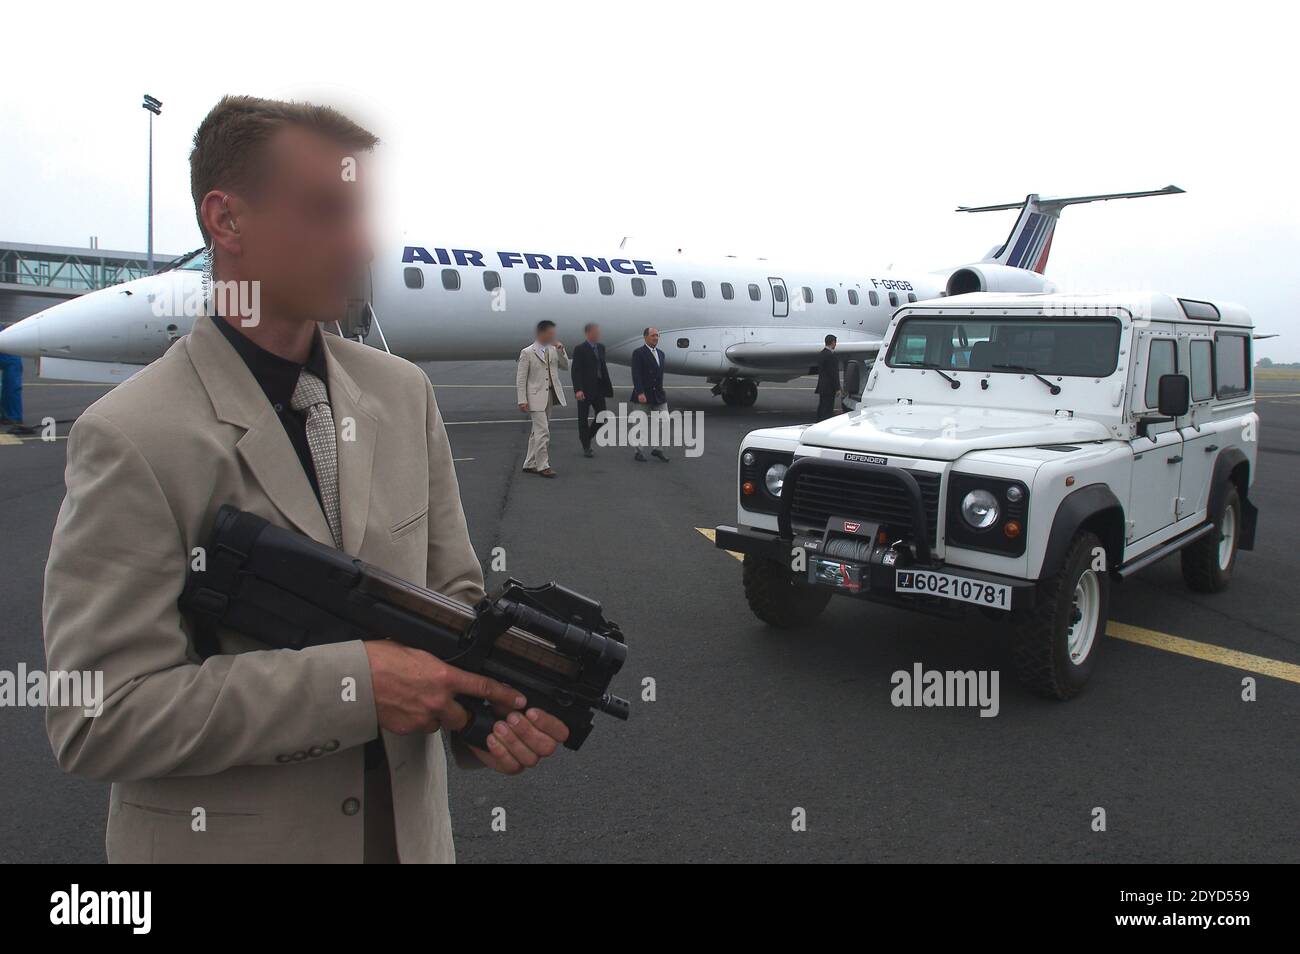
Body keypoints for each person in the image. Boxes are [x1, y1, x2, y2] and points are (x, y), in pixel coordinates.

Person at [42, 95, 567, 865]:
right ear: (226, 221)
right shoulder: (131, 435)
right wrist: (353, 684)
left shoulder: (402, 393)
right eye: (327, 211)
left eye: (361, 214)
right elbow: (98, 715)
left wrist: (483, 717)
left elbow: (452, 605)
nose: (360, 243)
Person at [516, 319, 568, 477]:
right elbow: (521, 378)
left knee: (536, 432)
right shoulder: (527, 352)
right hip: (535, 397)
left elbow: (565, 366)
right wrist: (522, 400)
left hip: (550, 396)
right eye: (550, 333)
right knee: (543, 431)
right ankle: (543, 466)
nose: (553, 336)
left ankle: (530, 463)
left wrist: (561, 350)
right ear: (541, 333)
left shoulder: (553, 350)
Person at [570, 322, 613, 458]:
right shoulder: (580, 349)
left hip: (599, 388)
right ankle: (586, 446)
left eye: (598, 332)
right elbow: (575, 371)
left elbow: (602, 367)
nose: (598, 334)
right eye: (595, 332)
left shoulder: (601, 348)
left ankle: (587, 436)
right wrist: (578, 390)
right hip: (585, 389)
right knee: (582, 419)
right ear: (588, 333)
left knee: (602, 415)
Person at [630, 326, 669, 462]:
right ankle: (638, 451)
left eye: (657, 335)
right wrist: (640, 392)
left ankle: (658, 449)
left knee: (665, 421)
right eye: (653, 336)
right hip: (643, 394)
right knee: (640, 424)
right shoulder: (638, 353)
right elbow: (636, 374)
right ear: (645, 337)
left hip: (658, 394)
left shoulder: (661, 354)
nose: (655, 338)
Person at [0, 325, 23, 427]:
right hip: (9, 357)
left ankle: (13, 417)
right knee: (10, 387)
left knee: (11, 388)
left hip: (9, 357)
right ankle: (11, 416)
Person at [815, 334, 841, 421]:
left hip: (822, 386)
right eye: (835, 342)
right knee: (828, 409)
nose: (835, 345)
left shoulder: (821, 354)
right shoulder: (831, 356)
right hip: (829, 388)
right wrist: (838, 388)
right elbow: (833, 374)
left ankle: (818, 422)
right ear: (833, 342)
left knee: (822, 406)